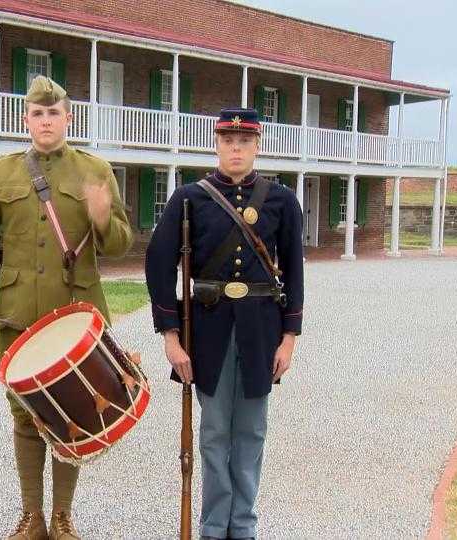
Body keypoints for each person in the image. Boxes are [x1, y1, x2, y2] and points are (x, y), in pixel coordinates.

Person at [0, 75, 133, 540]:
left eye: (53, 113)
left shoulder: (95, 169)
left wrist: (101, 217)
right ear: (26, 119)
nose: (45, 121)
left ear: (67, 118)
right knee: (23, 414)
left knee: (73, 413)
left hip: (75, 313)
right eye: (37, 113)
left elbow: (120, 244)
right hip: (17, 312)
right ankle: (31, 517)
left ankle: (62, 517)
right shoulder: (2, 171)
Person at [144, 107, 304, 540]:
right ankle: (214, 526)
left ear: (258, 145)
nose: (236, 148)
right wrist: (171, 338)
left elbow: (294, 270)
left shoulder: (282, 201)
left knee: (251, 430)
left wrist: (288, 339)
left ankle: (244, 525)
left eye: (245, 142)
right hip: (208, 333)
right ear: (217, 144)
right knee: (214, 430)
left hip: (260, 331)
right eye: (229, 141)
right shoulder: (189, 198)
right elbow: (159, 265)